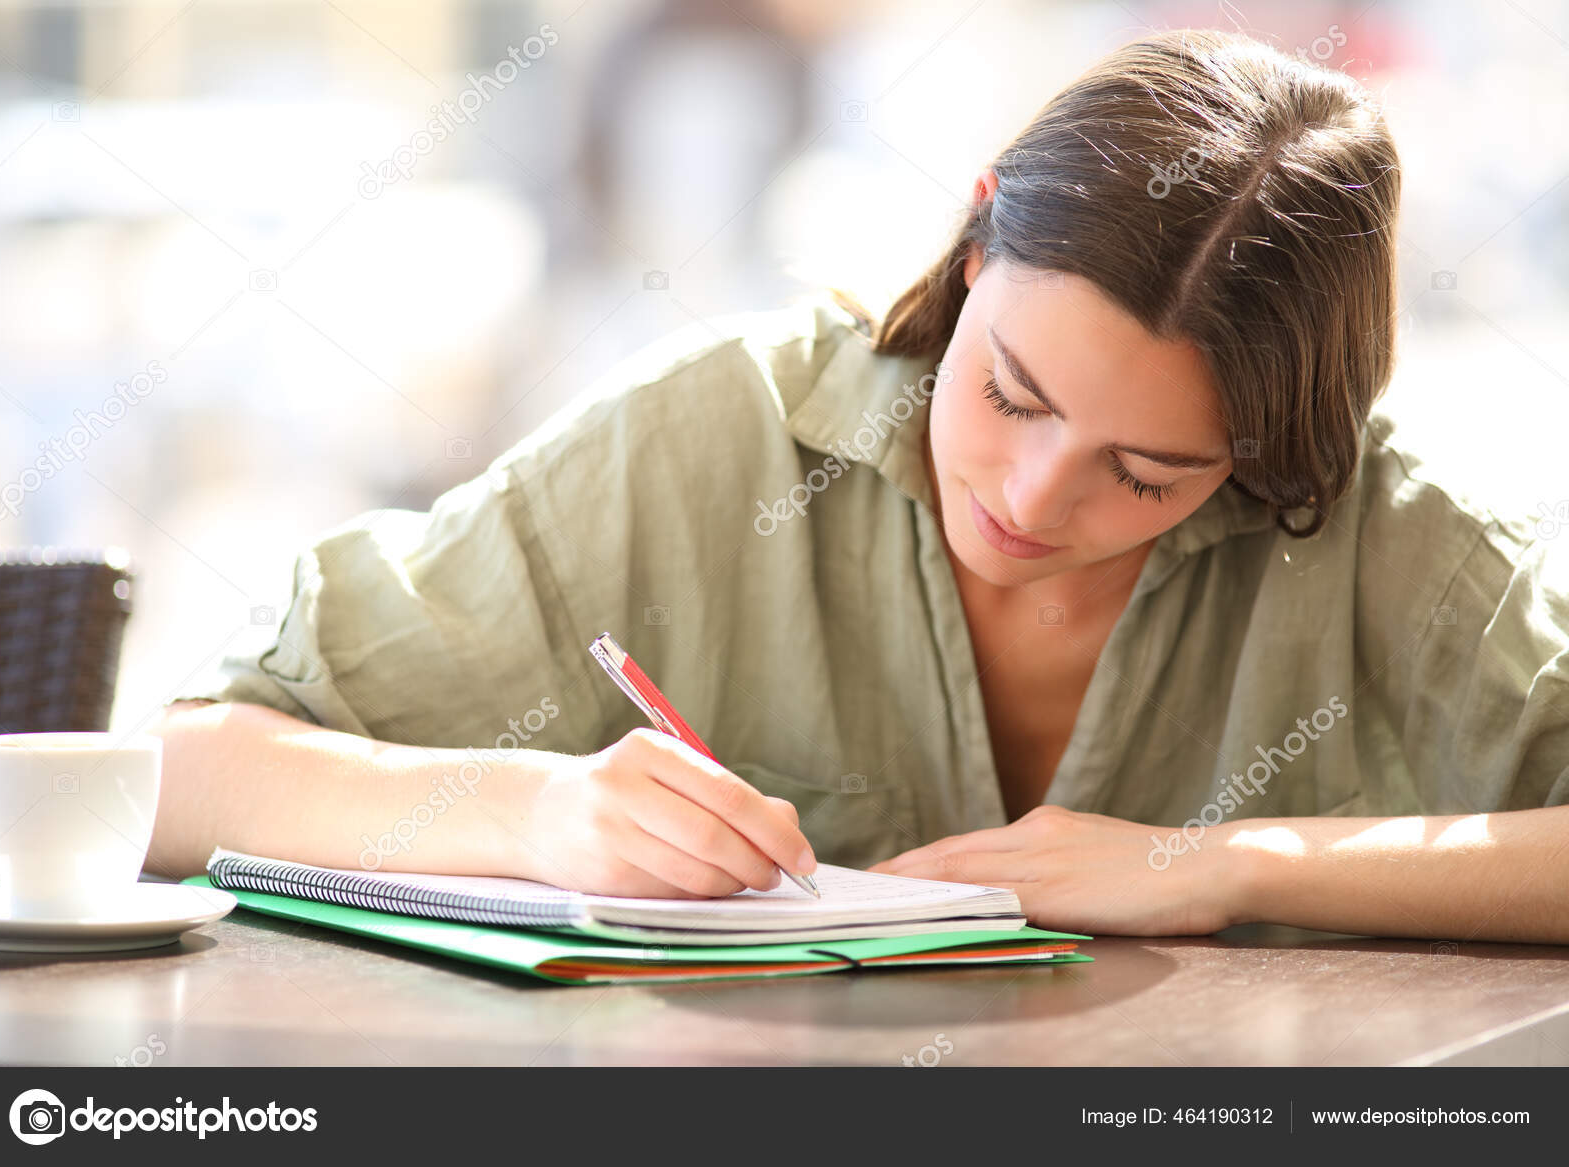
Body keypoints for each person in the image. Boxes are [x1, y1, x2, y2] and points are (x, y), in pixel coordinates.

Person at [146, 29, 1569, 941]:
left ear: (1267, 457)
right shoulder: (707, 445)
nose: (1030, 494)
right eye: (1010, 389)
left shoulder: (1394, 547)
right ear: (969, 254)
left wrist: (1234, 864)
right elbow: (179, 777)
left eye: (1148, 473)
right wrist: (534, 810)